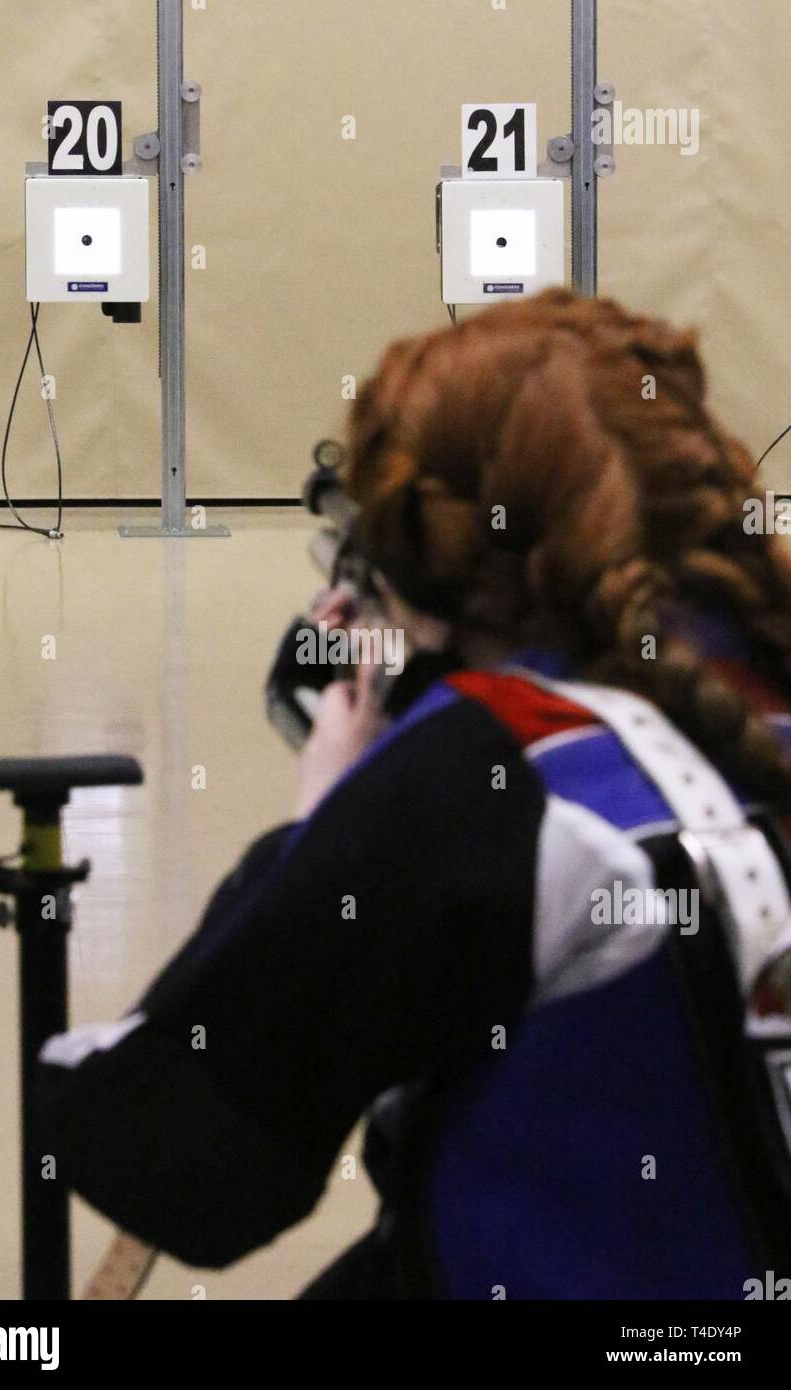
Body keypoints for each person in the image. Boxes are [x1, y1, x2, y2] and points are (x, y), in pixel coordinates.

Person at [39, 288, 791, 1299]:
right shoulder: (749, 687)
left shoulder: (492, 768)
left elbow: (177, 1161)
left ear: (470, 582)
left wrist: (319, 828)